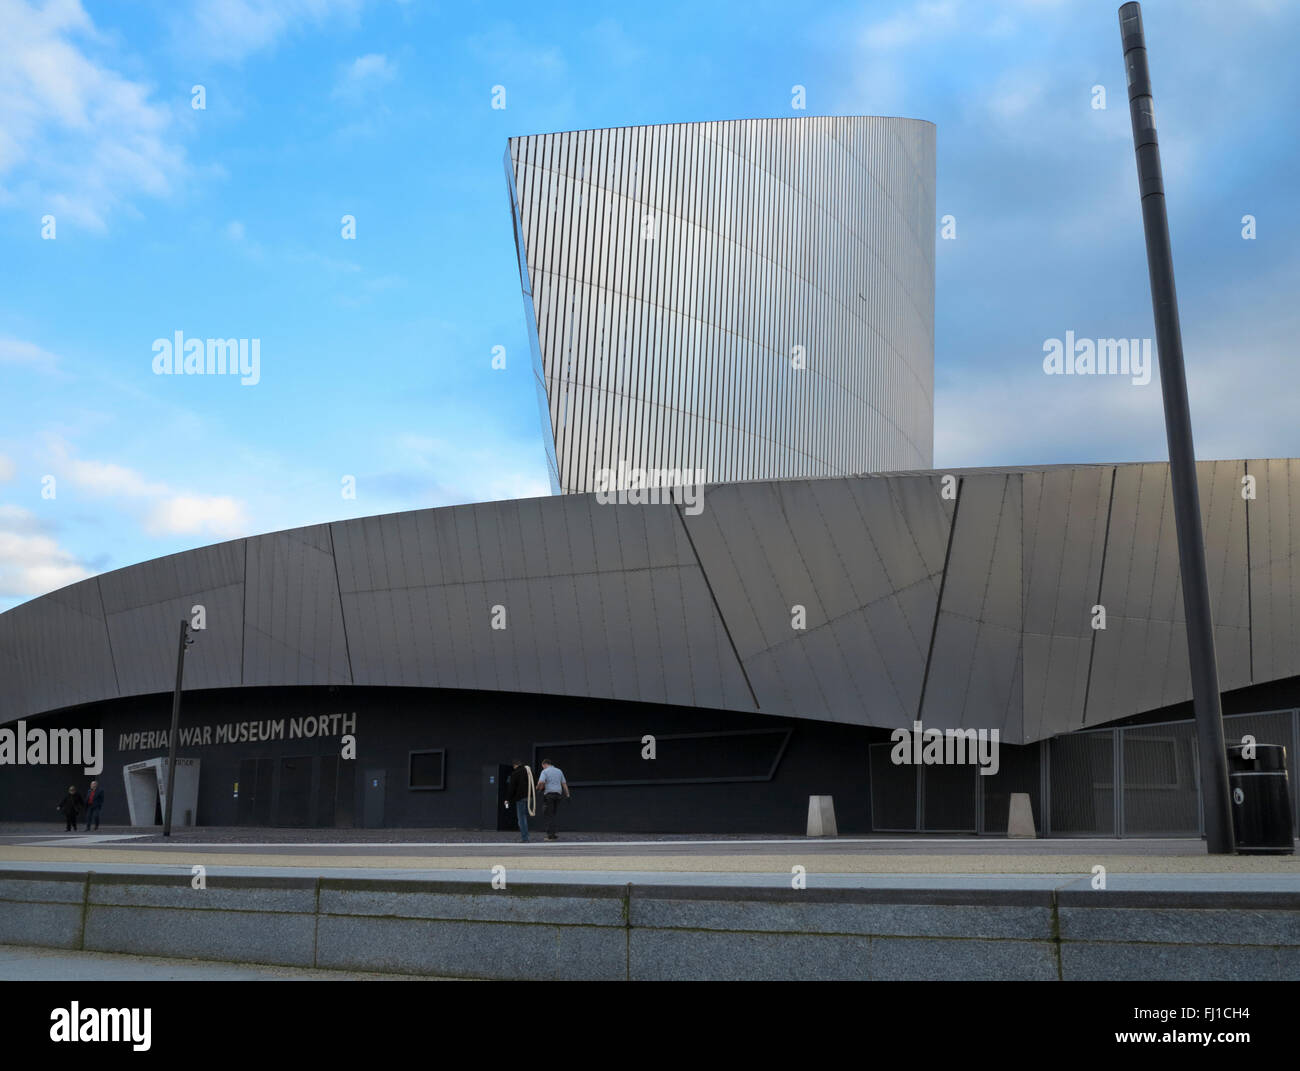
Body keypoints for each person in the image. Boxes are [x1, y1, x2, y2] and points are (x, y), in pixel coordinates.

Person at [536, 759, 569, 841]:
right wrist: (568, 794)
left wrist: (537, 788)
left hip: (549, 795)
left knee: (547, 814)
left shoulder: (545, 771)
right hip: (558, 795)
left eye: (542, 766)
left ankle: (550, 835)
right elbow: (564, 783)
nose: (542, 768)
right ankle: (553, 834)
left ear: (544, 764)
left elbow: (541, 782)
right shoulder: (559, 771)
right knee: (553, 814)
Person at [504, 759, 535, 842]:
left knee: (521, 818)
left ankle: (525, 838)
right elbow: (534, 782)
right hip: (530, 797)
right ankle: (526, 836)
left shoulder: (515, 773)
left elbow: (511, 788)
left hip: (520, 797)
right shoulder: (529, 771)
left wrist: (507, 799)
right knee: (524, 816)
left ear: (515, 766)